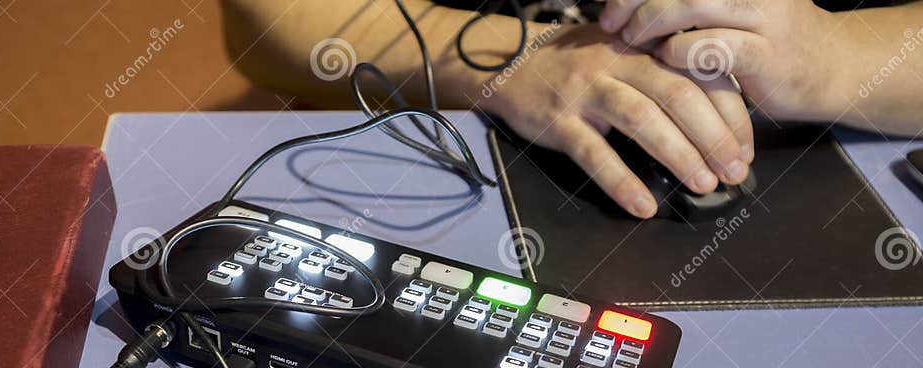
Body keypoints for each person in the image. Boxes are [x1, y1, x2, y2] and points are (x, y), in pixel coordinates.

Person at [221, 1, 920, 218]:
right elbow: (273, 23)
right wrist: (499, 57)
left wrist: (837, 55)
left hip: (845, 159)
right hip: (461, 151)